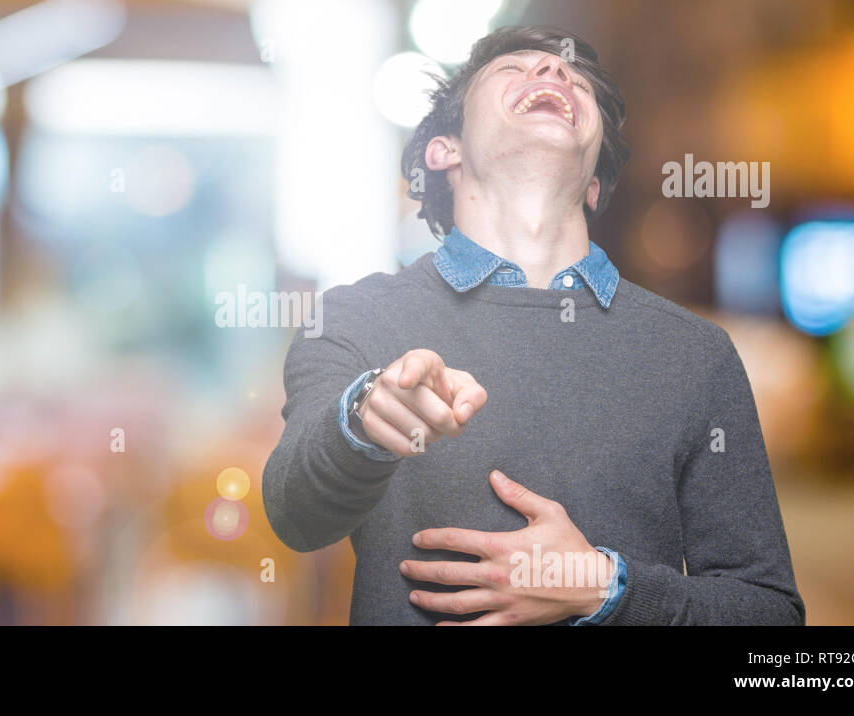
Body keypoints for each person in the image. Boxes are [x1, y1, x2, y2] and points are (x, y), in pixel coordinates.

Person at [261, 25, 805, 626]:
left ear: (595, 182)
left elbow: (769, 620)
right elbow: (295, 517)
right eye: (515, 68)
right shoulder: (356, 317)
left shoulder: (696, 355)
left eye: (577, 80)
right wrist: (365, 418)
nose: (555, 73)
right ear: (446, 150)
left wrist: (606, 590)